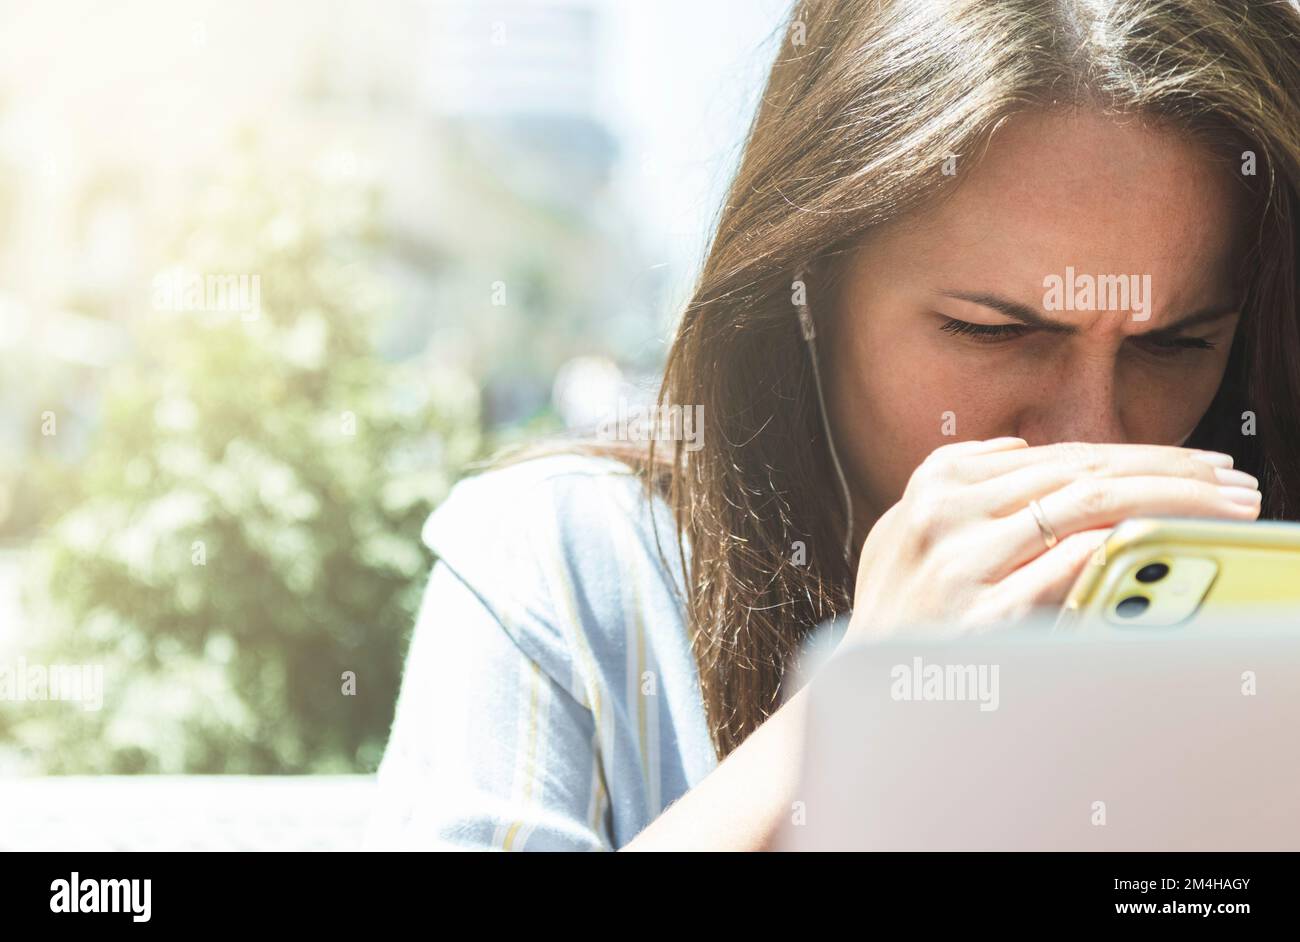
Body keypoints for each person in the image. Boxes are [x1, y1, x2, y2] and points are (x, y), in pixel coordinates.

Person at [367, 0, 1300, 851]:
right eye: (993, 331)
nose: (1091, 438)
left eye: (1175, 345)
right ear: (805, 298)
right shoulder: (567, 565)